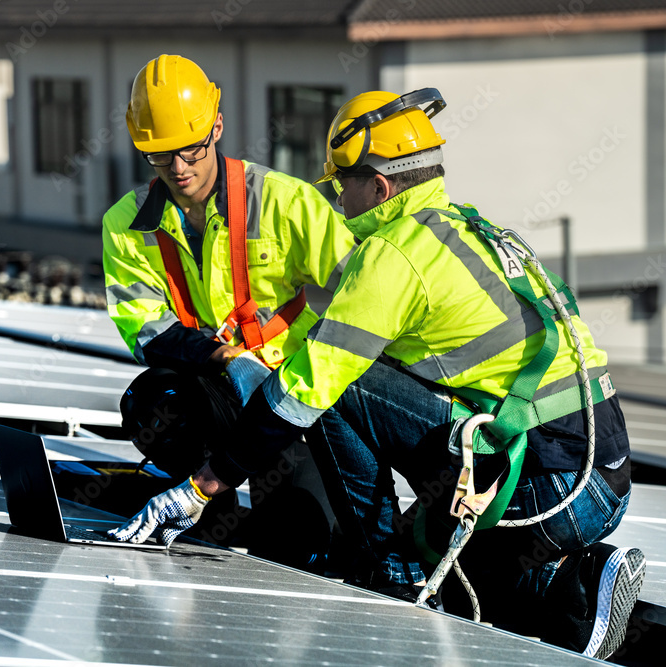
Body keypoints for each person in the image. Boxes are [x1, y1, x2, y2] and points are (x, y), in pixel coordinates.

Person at [110, 87, 646, 660]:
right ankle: (576, 579)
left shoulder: (394, 254)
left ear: (381, 186)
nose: (338, 202)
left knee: (337, 391)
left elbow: (305, 391)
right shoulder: (481, 231)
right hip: (603, 473)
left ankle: (394, 579)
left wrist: (199, 490)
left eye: (344, 186)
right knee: (431, 542)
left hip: (549, 489)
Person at [102, 54, 356, 551]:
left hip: (292, 388)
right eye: (160, 155)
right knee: (150, 402)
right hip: (214, 383)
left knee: (302, 534)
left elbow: (365, 290)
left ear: (216, 128)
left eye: (191, 150)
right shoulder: (126, 223)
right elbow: (144, 325)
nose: (178, 169)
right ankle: (205, 510)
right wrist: (219, 356)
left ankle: (267, 507)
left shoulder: (286, 202)